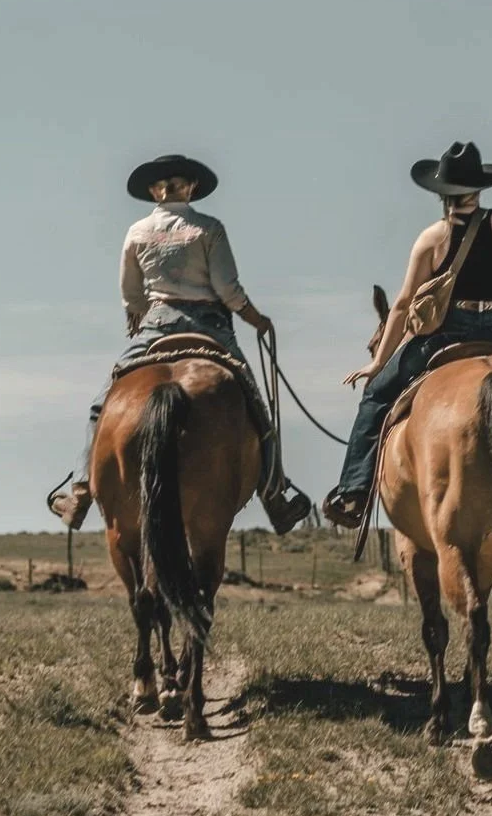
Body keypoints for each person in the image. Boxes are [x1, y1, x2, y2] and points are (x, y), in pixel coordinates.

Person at [321, 142, 492, 532]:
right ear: (480, 188)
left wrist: (378, 363)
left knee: (377, 397)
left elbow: (401, 306)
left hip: (448, 332)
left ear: (441, 193)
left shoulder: (431, 238)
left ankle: (353, 490)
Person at [46, 154, 312, 533]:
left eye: (171, 183)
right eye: (167, 183)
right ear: (192, 189)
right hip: (210, 327)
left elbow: (131, 294)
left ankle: (80, 490)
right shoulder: (209, 228)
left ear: (159, 191)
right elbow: (227, 289)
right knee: (255, 405)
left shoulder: (137, 232)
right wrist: (256, 319)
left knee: (100, 406)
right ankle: (274, 494)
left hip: (155, 325)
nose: (169, 187)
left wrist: (138, 315)